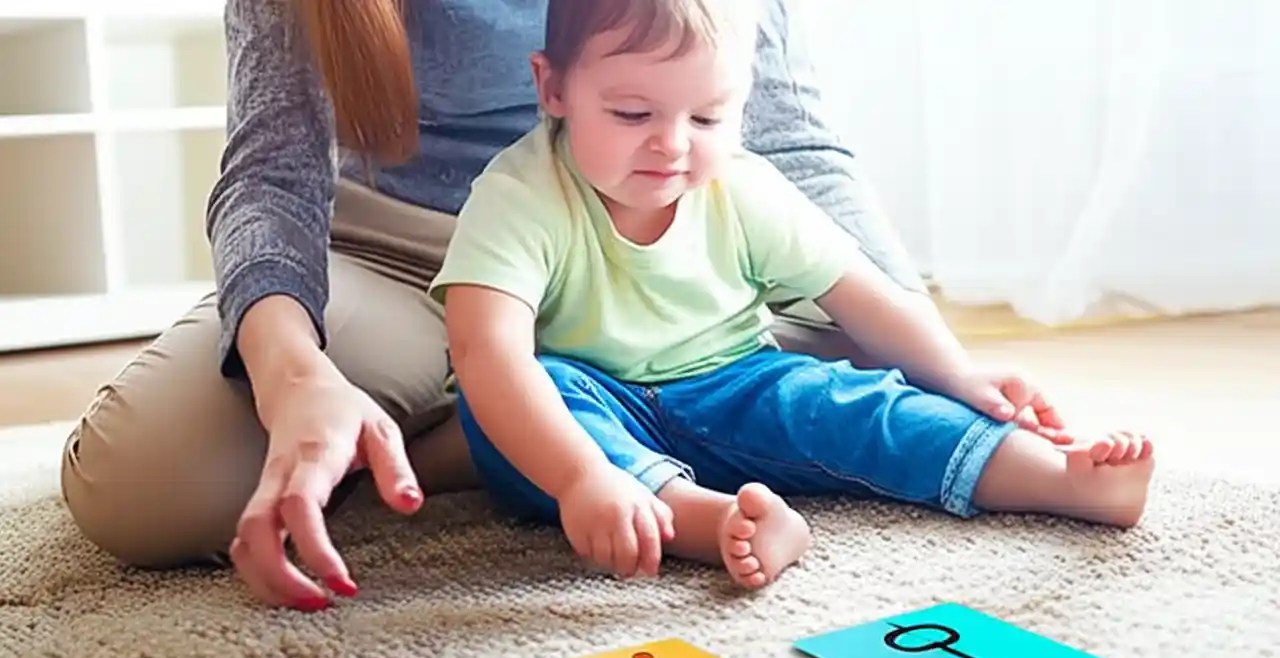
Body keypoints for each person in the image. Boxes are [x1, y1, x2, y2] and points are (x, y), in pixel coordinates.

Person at [51, 0, 1041, 613]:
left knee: (886, 384)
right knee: (143, 486)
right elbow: (270, 169)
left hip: (657, 243)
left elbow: (788, 144)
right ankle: (513, 420)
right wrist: (294, 373)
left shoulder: (694, 156)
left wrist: (938, 356)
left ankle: (500, 429)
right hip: (402, 254)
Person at [431, 0, 1156, 590]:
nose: (673, 145)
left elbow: (859, 294)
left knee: (860, 404)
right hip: (592, 401)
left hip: (736, 380)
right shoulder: (519, 195)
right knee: (515, 412)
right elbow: (488, 351)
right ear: (553, 88)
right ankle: (712, 523)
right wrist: (582, 476)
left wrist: (961, 375)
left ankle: (1063, 481)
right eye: (632, 115)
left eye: (708, 118)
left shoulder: (739, 187)